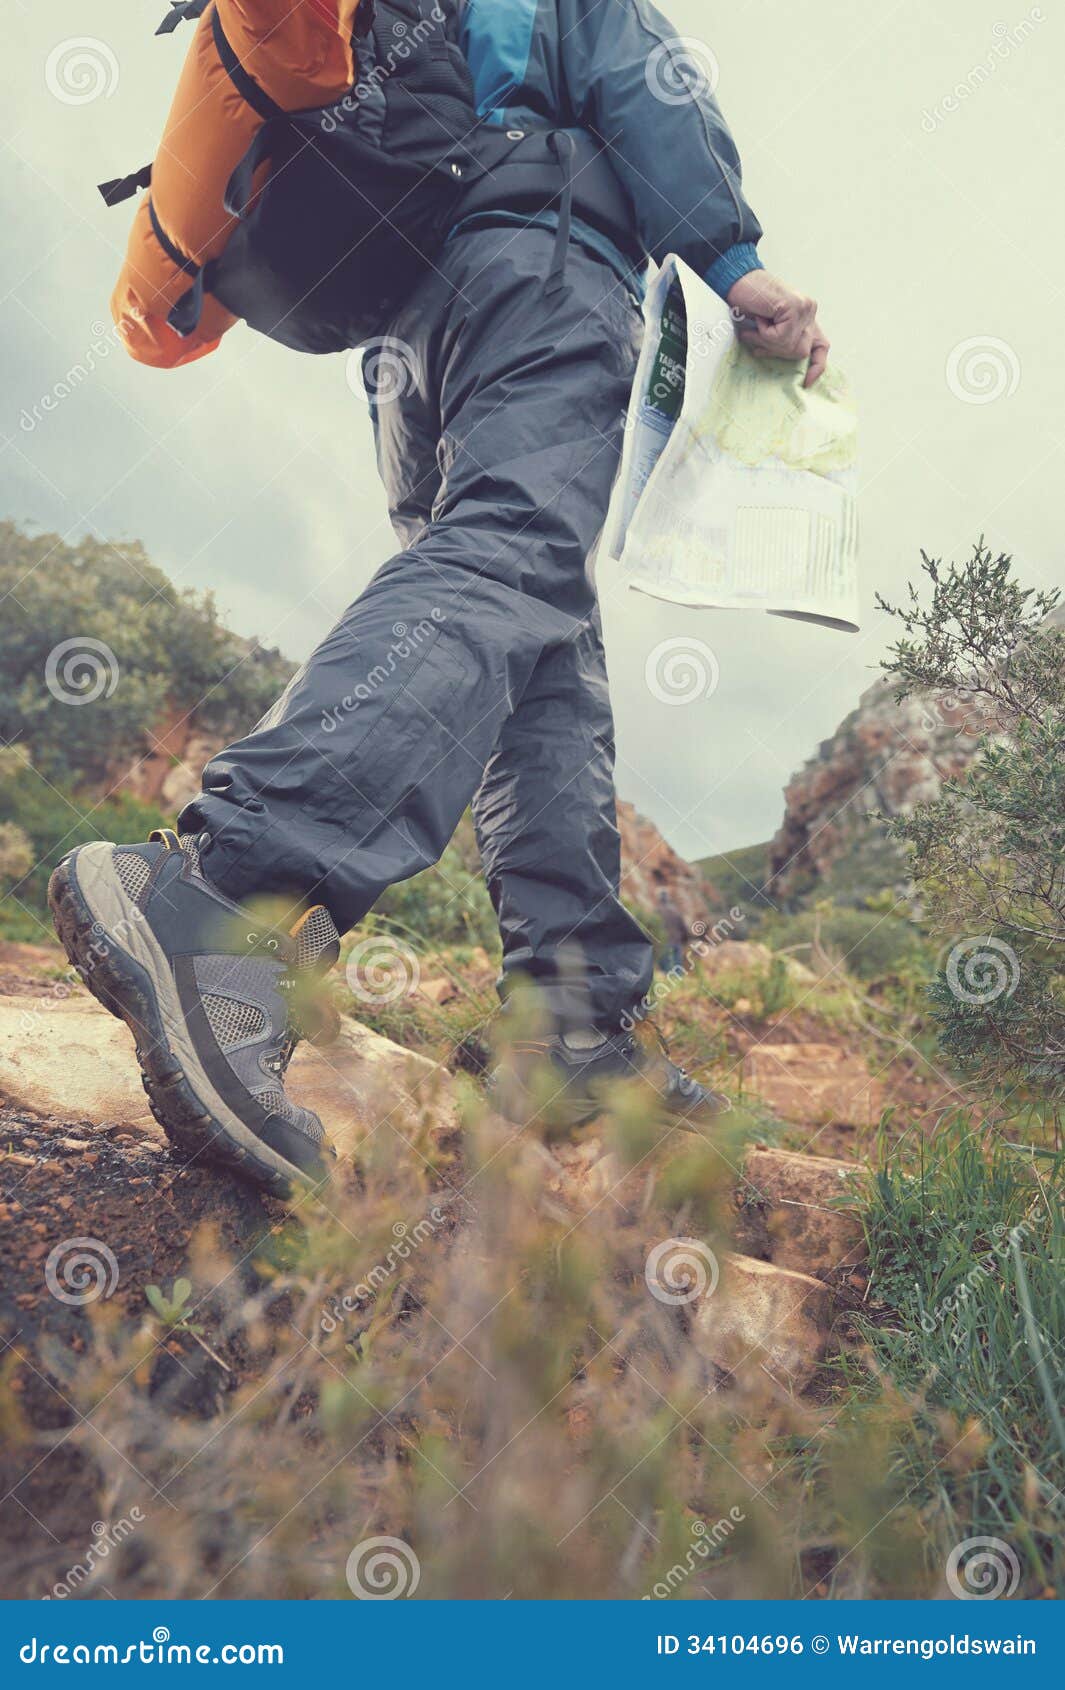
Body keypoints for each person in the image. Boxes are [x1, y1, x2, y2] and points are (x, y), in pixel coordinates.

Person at [49, 0, 829, 1195]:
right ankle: (227, 896)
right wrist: (738, 266)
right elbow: (644, 82)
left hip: (408, 342)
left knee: (536, 635)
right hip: (542, 267)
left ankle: (570, 1028)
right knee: (514, 562)